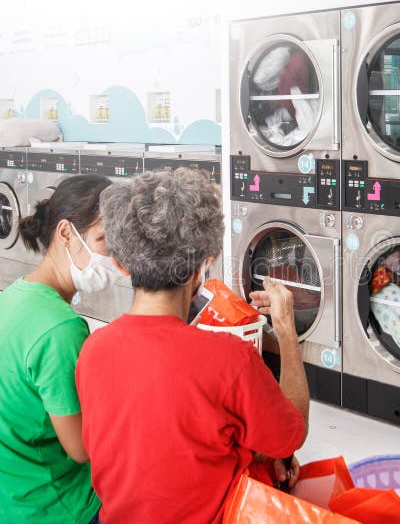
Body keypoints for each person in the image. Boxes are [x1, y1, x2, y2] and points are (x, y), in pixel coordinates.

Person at [76, 168, 309, 523]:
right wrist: (287, 332)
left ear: (122, 264)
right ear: (199, 269)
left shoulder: (93, 350)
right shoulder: (229, 359)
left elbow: (160, 445)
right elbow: (292, 435)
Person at [0, 174, 121, 523]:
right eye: (105, 240)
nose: (114, 259)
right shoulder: (60, 327)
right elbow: (80, 450)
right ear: (66, 234)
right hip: (46, 510)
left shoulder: (20, 296)